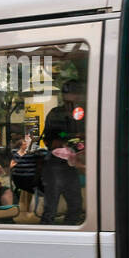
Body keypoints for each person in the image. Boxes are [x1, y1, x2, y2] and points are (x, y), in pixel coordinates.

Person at [40, 77, 86, 225]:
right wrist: (67, 137)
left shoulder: (80, 114)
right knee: (51, 209)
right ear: (65, 96)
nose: (77, 97)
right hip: (55, 165)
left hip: (71, 166)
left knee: (76, 205)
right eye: (74, 93)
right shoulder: (57, 113)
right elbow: (50, 139)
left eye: (78, 94)